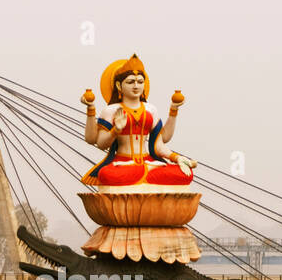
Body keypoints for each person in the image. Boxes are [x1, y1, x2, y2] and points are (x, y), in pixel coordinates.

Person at [81, 54, 196, 186]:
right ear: (119, 85)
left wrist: (177, 158)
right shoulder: (111, 111)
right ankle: (143, 177)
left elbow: (159, 144)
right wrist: (116, 130)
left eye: (140, 82)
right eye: (130, 82)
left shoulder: (151, 110)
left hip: (148, 164)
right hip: (123, 164)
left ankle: (145, 175)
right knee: (106, 175)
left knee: (184, 174)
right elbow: (101, 144)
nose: (136, 86)